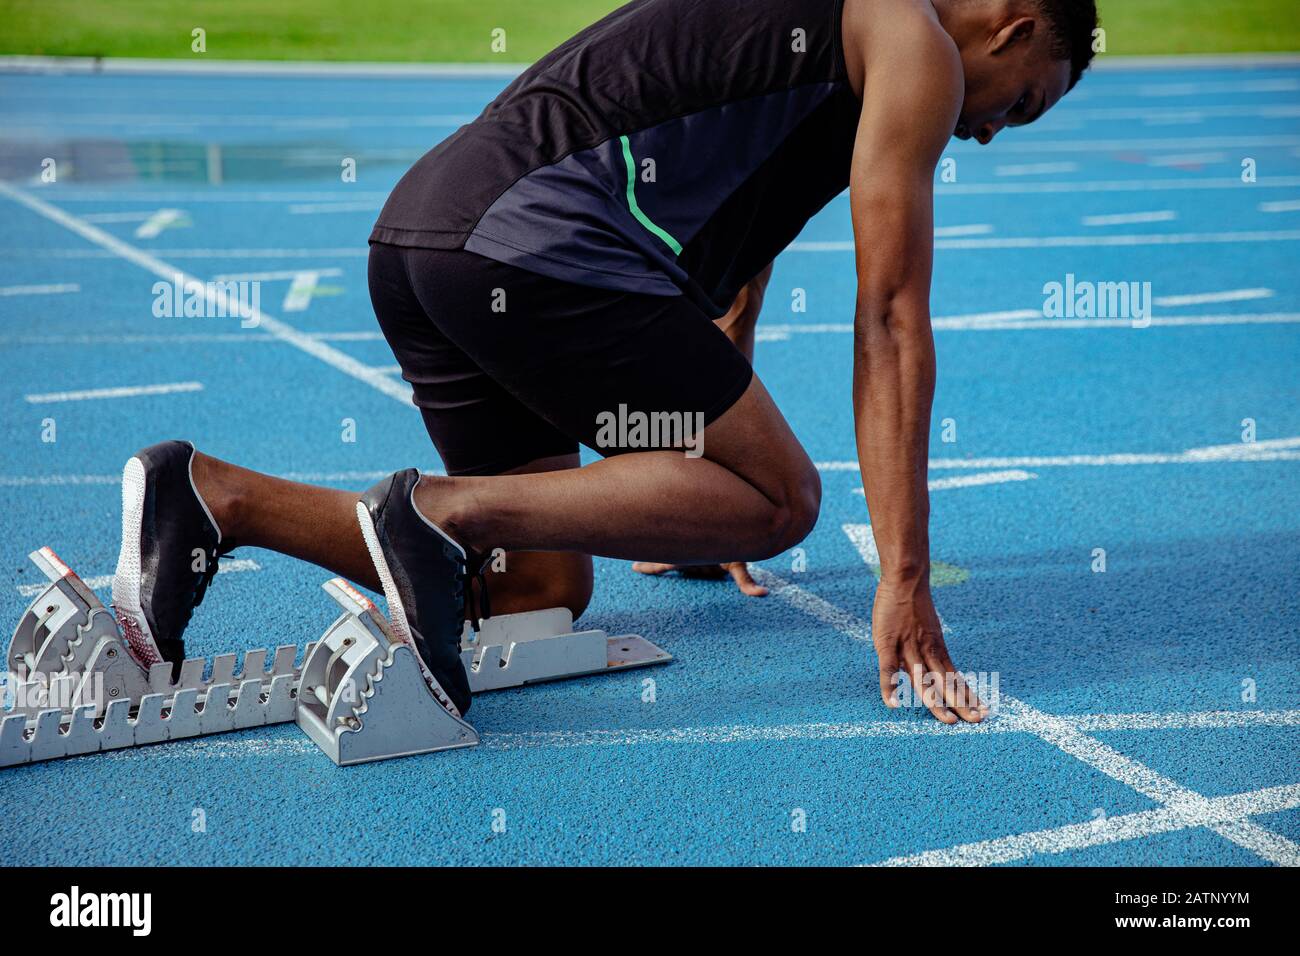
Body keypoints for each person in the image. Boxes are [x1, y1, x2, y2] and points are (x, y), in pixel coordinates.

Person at [111, 0, 1099, 726]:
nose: (985, 129)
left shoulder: (819, 50)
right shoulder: (912, 42)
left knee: (540, 587)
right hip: (537, 249)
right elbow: (887, 319)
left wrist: (684, 500)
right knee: (783, 499)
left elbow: (737, 268)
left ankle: (212, 497)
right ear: (1010, 25)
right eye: (1021, 105)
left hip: (424, 245)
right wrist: (906, 574)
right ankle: (441, 509)